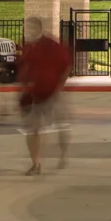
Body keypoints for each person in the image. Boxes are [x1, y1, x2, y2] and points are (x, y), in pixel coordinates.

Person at [17, 17, 72, 175]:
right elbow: (23, 68)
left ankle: (63, 155)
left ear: (39, 28)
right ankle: (36, 163)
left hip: (52, 92)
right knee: (32, 129)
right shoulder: (28, 47)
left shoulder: (51, 45)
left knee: (62, 124)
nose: (28, 31)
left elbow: (66, 65)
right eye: (27, 28)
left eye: (31, 28)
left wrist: (59, 87)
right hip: (33, 94)